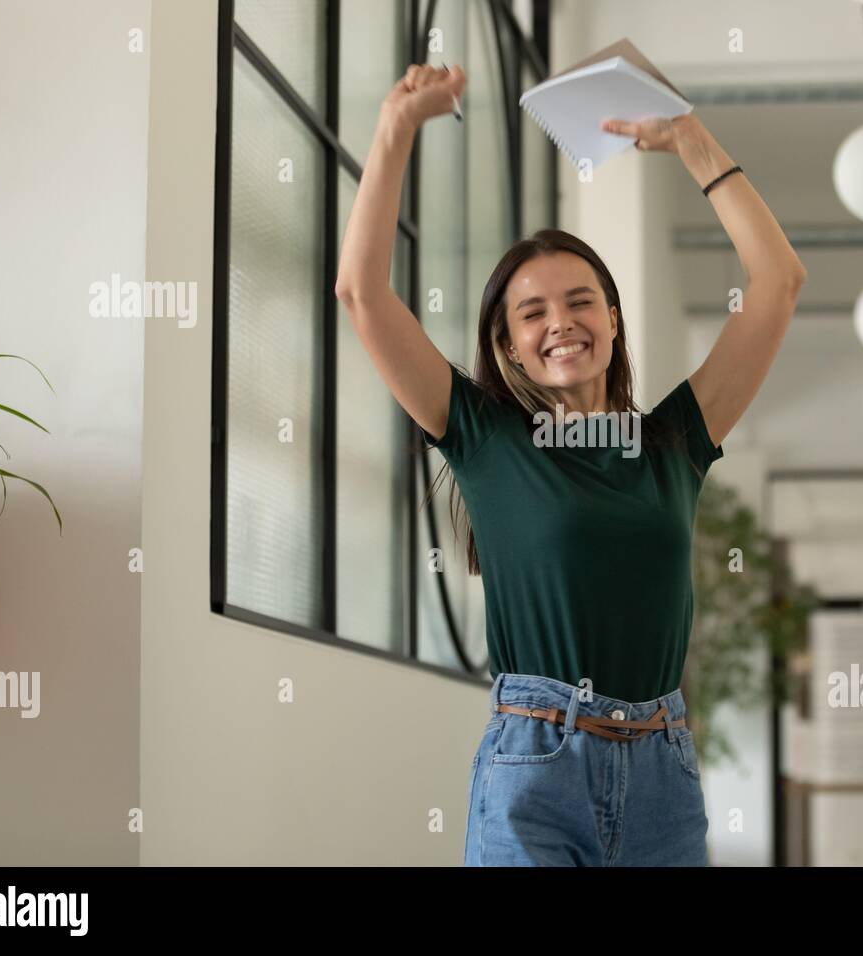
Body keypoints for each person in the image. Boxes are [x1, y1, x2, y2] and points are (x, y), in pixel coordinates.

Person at [335, 62, 806, 866]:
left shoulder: (675, 444)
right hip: (536, 767)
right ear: (508, 342)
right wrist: (395, 131)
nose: (562, 322)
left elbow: (778, 282)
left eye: (581, 300)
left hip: (662, 769)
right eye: (533, 311)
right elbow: (363, 294)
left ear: (613, 321)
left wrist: (690, 141)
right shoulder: (485, 439)